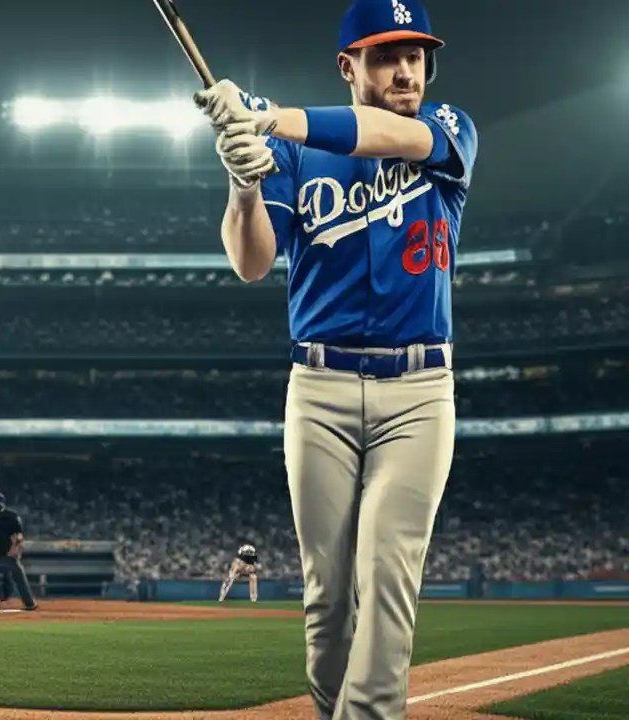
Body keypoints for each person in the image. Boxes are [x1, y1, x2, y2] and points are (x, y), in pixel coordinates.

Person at [194, 1, 477, 717]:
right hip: (317, 387)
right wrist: (243, 179)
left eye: (415, 54)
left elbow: (382, 136)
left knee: (387, 580)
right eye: (386, 55)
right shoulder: (294, 153)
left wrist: (269, 115)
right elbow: (253, 262)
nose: (406, 68)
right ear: (349, 66)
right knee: (326, 603)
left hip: (419, 391)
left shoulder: (447, 130)